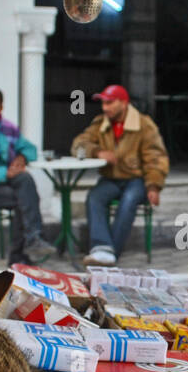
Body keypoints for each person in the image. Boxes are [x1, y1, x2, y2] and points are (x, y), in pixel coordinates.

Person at [72, 84, 169, 266]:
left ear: (123, 103)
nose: (105, 107)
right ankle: (102, 247)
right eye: (103, 103)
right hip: (110, 179)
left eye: (109, 103)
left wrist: (153, 186)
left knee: (129, 200)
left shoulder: (144, 125)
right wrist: (97, 151)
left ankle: (110, 253)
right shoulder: (100, 123)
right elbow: (78, 145)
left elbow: (156, 157)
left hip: (136, 180)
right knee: (94, 197)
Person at [0, 86, 54, 265]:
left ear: (0, 107)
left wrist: (21, 157)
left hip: (6, 184)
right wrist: (6, 173)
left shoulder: (8, 128)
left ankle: (27, 245)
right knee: (23, 198)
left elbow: (30, 149)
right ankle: (26, 246)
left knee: (24, 181)